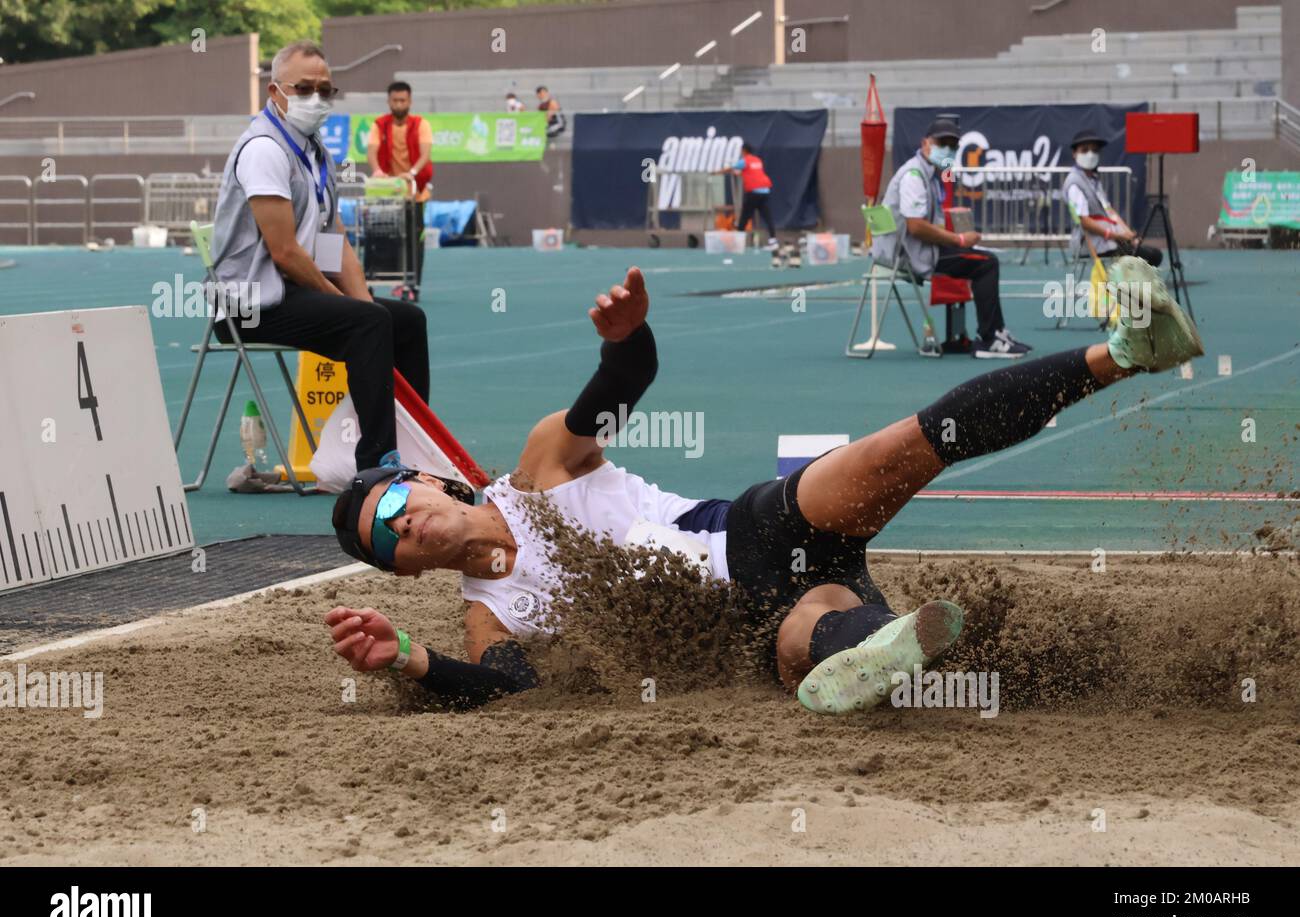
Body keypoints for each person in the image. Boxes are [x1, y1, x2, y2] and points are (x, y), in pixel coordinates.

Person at [324, 258, 1204, 716]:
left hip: (750, 533)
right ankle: (891, 648)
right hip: (739, 621)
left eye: (397, 505)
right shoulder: (490, 613)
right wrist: (409, 657)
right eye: (387, 544)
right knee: (809, 642)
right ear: (404, 576)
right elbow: (506, 689)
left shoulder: (542, 467)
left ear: (430, 478)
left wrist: (626, 339)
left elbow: (619, 391)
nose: (406, 529)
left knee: (907, 444)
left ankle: (1124, 352)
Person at [209, 40, 430, 472]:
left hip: (289, 290)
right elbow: (285, 251)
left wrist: (360, 296)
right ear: (275, 92)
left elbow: (336, 238)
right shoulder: (264, 150)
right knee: (366, 322)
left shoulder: (315, 152)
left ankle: (417, 446)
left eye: (325, 89)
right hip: (251, 303)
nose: (316, 98)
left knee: (405, 319)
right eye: (304, 88)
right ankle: (377, 466)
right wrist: (349, 304)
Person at [874, 117, 1031, 359]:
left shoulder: (932, 174)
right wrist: (958, 240)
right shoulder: (914, 176)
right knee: (986, 264)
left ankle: (997, 333)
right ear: (925, 143)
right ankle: (989, 339)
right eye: (941, 143)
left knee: (982, 258)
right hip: (912, 255)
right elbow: (915, 227)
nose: (946, 150)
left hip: (921, 250)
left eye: (952, 146)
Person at [366, 79, 433, 296]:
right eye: (394, 100)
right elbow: (372, 152)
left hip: (415, 192)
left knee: (414, 241)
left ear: (410, 101)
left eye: (402, 100)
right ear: (388, 101)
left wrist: (411, 174)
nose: (398, 104)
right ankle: (373, 282)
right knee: (379, 238)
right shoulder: (379, 125)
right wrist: (377, 171)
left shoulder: (421, 124)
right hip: (387, 192)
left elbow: (425, 155)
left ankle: (412, 285)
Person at [1065, 129, 1163, 268]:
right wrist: (1116, 236)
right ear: (1074, 154)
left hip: (1108, 242)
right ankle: (1128, 288)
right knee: (1151, 257)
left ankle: (1127, 287)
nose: (1090, 154)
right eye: (1084, 150)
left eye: (1094, 150)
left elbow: (1109, 211)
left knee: (1153, 254)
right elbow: (1085, 222)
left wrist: (1129, 235)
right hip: (1089, 245)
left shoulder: (1094, 180)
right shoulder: (1074, 183)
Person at [715, 142, 777, 248]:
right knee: (768, 217)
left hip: (753, 193)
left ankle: (737, 243)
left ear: (744, 151)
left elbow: (731, 168)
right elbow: (747, 172)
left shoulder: (745, 160)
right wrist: (738, 173)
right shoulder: (758, 160)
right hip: (765, 192)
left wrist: (716, 173)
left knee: (744, 217)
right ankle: (773, 242)